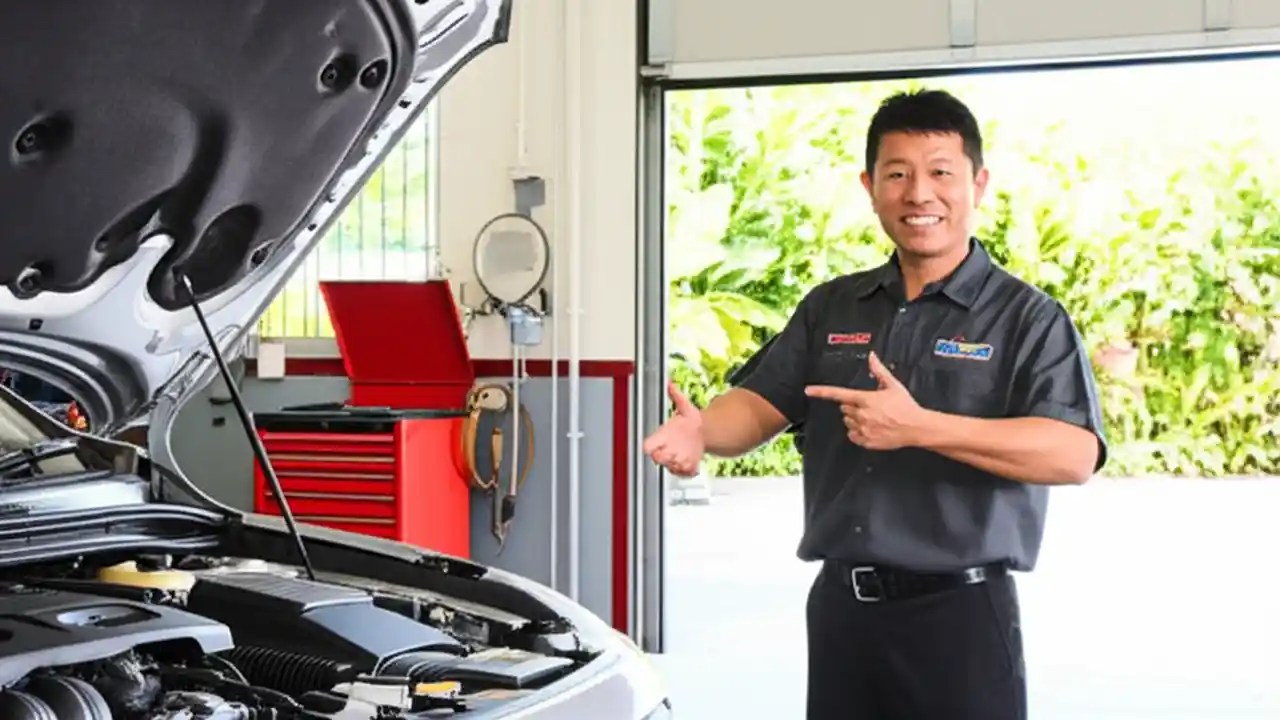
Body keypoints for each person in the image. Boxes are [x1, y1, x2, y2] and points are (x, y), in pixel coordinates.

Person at [643, 88, 1107, 720]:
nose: (919, 194)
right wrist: (703, 433)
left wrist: (922, 428)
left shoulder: (1028, 318)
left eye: (941, 172)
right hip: (842, 615)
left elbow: (1073, 452)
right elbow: (760, 404)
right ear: (870, 186)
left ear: (978, 183)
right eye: (897, 174)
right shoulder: (833, 307)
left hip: (961, 620)